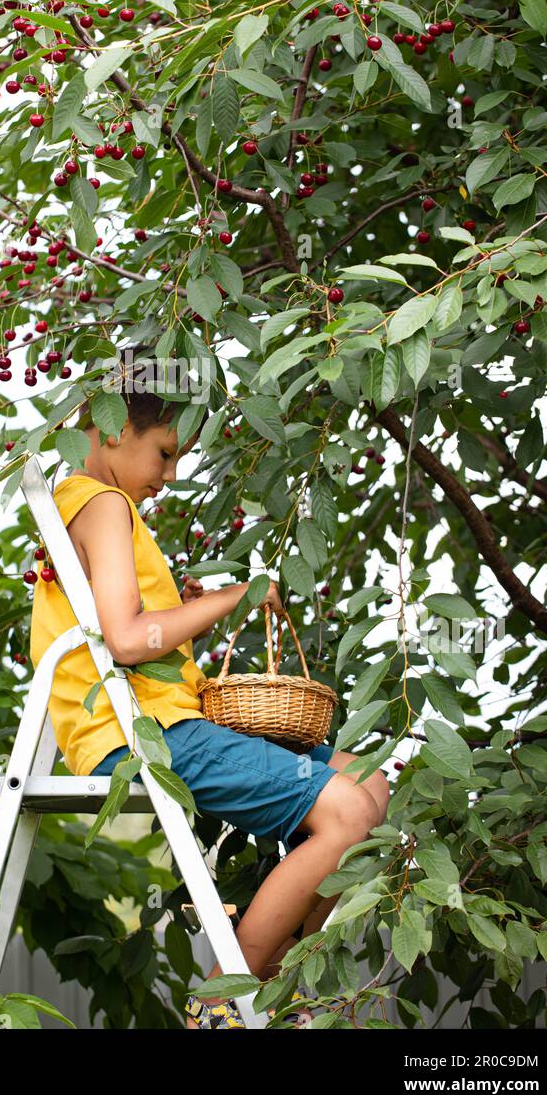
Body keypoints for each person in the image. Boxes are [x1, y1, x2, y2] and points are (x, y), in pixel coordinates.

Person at [28, 351, 390, 1029]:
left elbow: (124, 623)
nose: (170, 476)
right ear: (111, 430)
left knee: (367, 784)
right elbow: (132, 639)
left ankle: (278, 981)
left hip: (160, 721)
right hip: (142, 735)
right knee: (344, 815)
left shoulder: (96, 504)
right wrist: (234, 596)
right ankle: (231, 995)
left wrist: (185, 601)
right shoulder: (104, 505)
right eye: (165, 454)